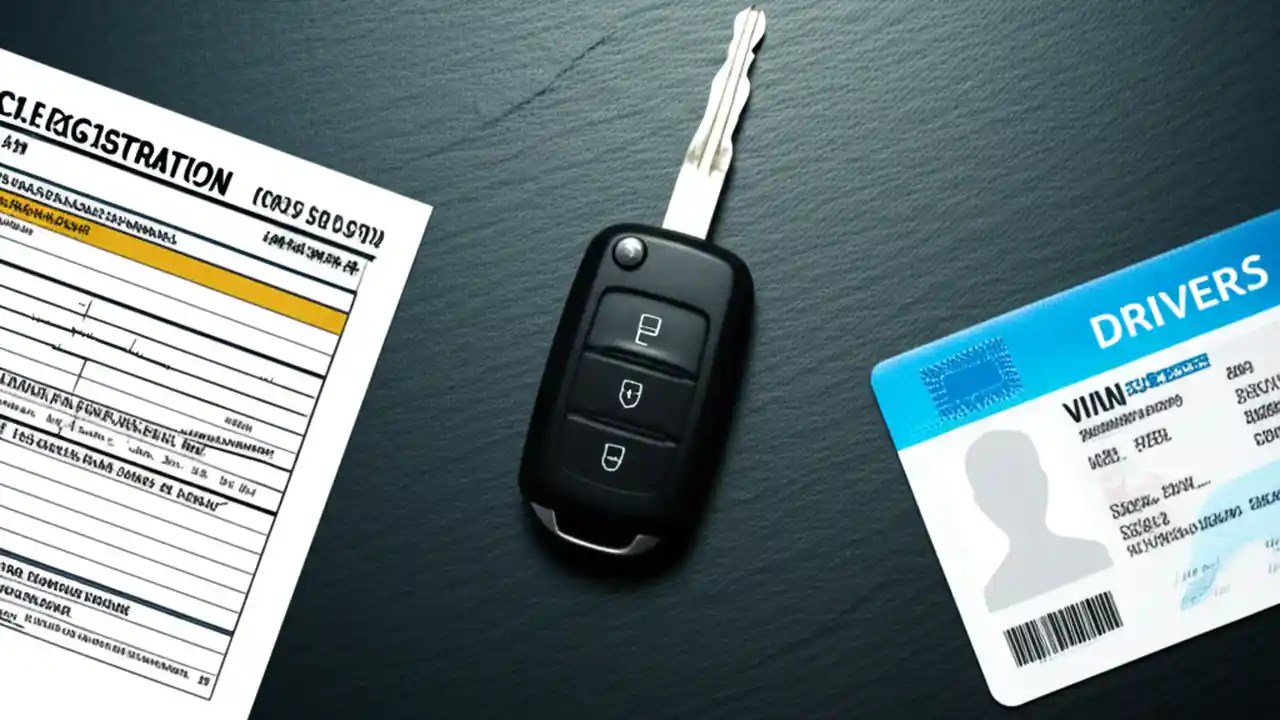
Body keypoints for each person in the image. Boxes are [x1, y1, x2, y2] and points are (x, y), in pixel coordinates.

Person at [966, 430, 1112, 612]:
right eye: (1001, 487)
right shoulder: (998, 594)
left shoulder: (1092, 556)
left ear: (1042, 482)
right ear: (984, 505)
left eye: (1020, 478)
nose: (1016, 496)